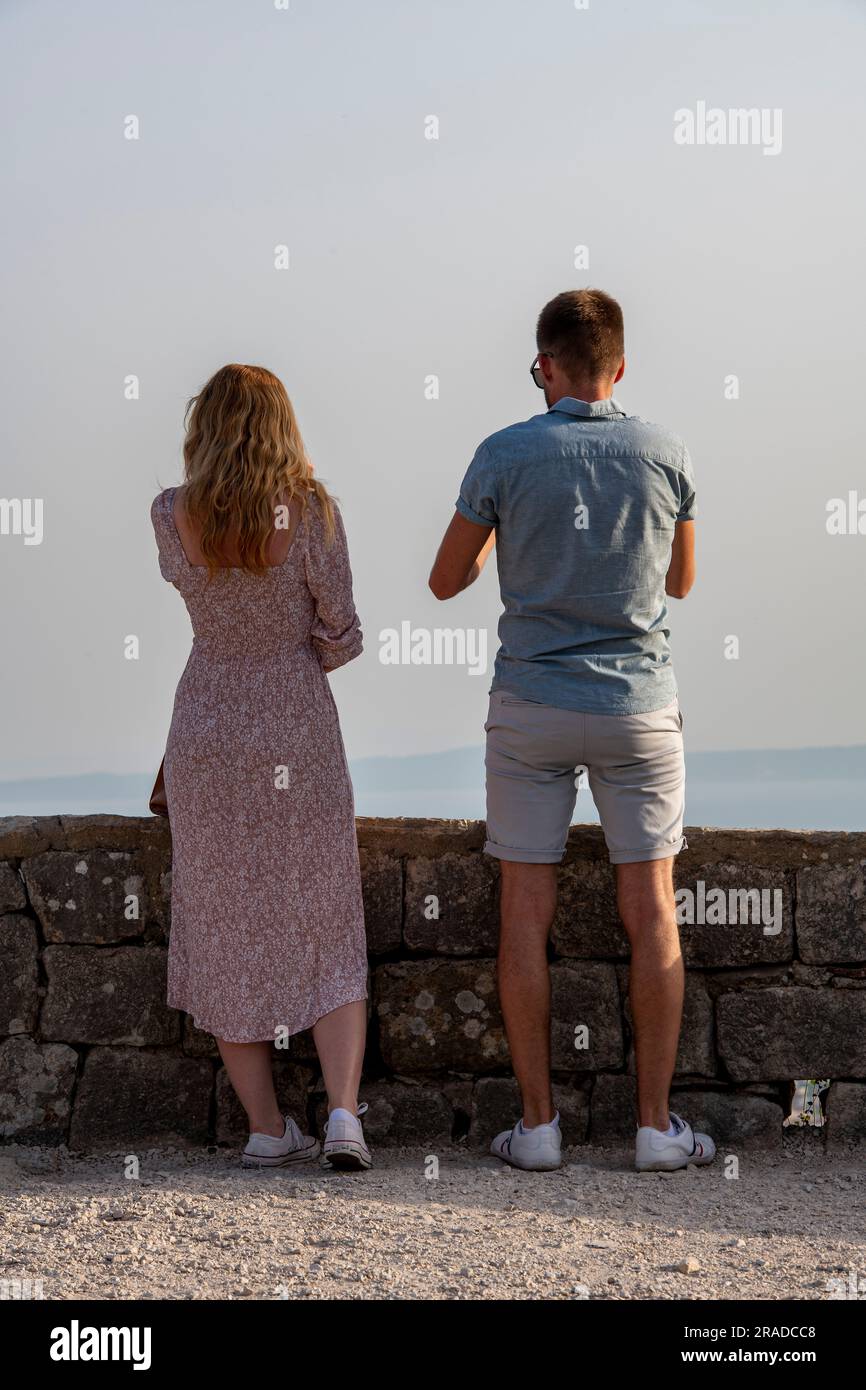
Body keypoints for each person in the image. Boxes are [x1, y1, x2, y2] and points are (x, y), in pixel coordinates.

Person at [428, 290, 715, 1174]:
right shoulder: (666, 452)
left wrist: (501, 538)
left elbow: (444, 582)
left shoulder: (504, 454)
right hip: (637, 707)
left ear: (544, 366)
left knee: (525, 912)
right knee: (651, 912)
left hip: (532, 708)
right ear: (619, 366)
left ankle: (540, 1127)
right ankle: (657, 1128)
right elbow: (682, 583)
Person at [150, 363, 371, 1171]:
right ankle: (344, 1116)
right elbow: (340, 634)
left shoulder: (171, 514)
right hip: (295, 722)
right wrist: (297, 647)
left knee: (222, 919)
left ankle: (267, 1129)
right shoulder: (312, 512)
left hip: (205, 722)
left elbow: (202, 595)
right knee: (324, 911)